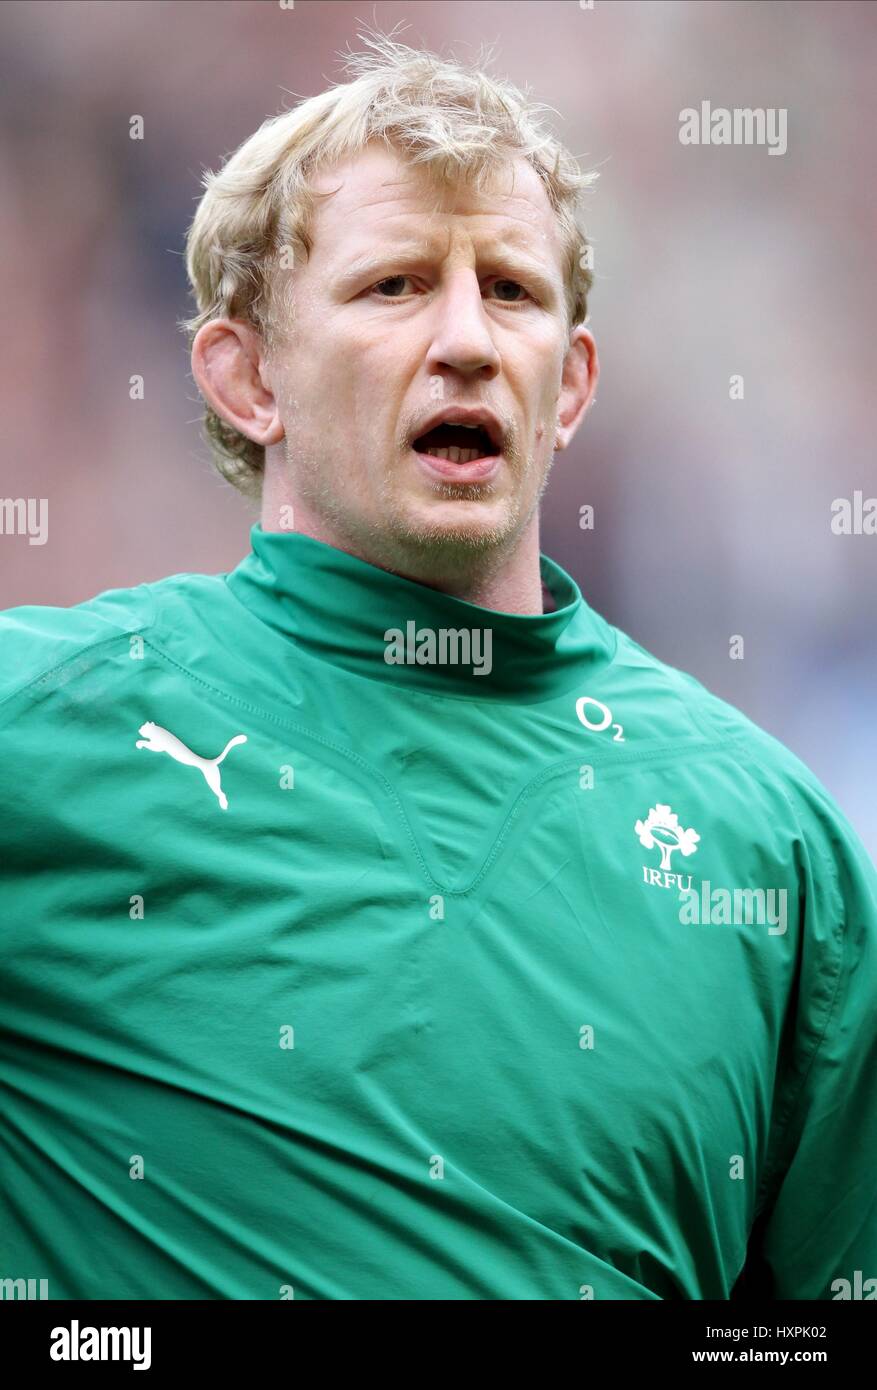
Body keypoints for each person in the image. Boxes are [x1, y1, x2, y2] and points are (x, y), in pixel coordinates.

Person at [1, 33, 875, 1302]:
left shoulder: (766, 842)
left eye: (512, 292)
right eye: (395, 286)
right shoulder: (42, 730)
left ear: (568, 385)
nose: (467, 339)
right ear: (247, 379)